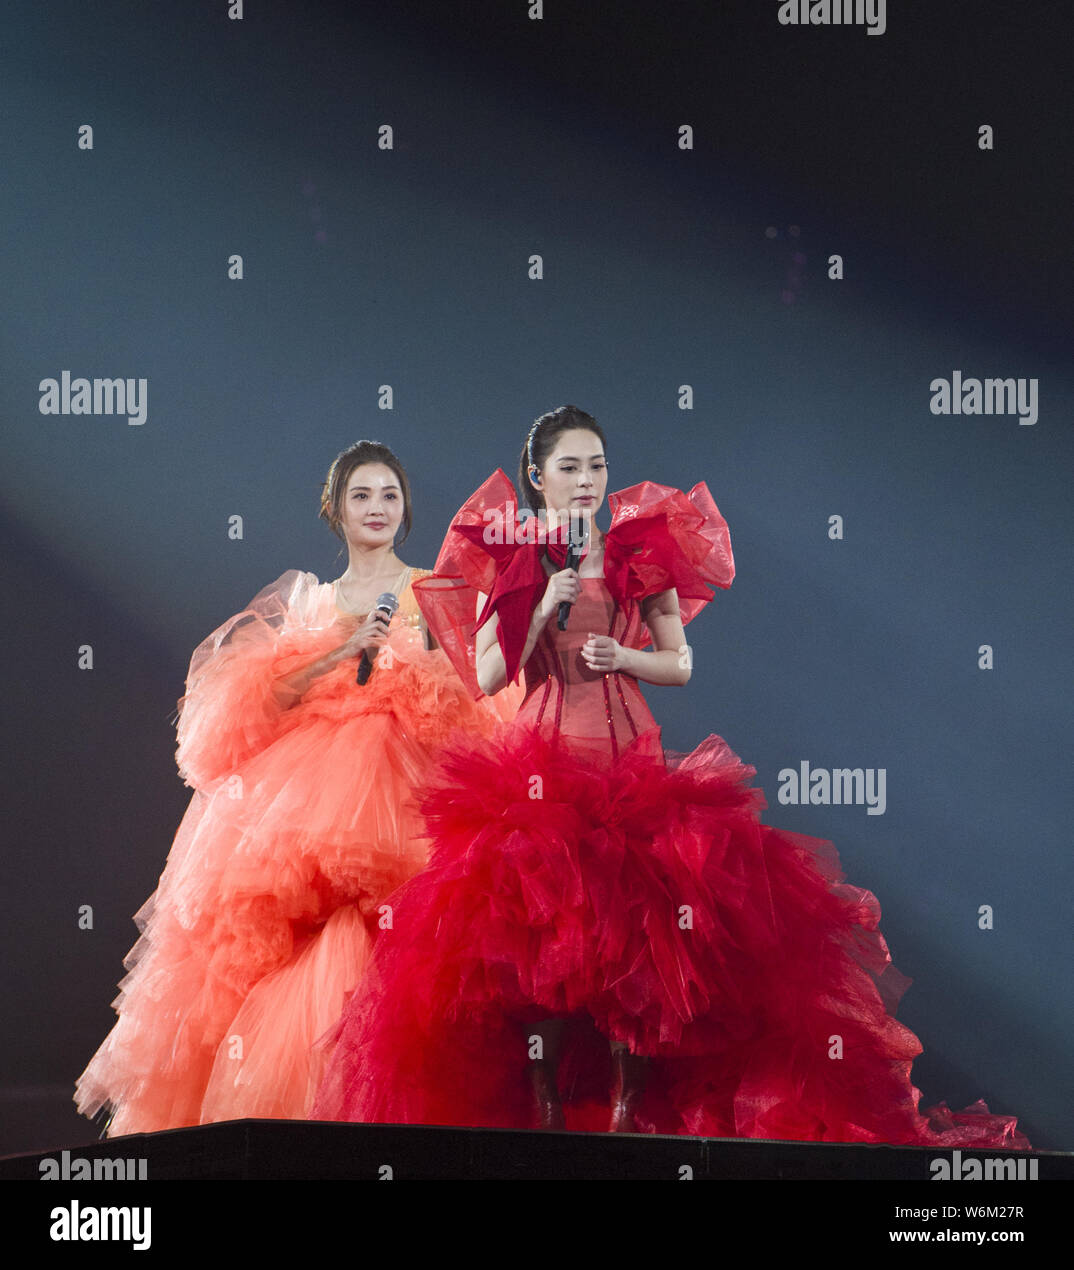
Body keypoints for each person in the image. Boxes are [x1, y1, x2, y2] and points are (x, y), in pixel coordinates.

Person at [310, 408, 1027, 1147]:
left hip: (630, 767)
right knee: (538, 946)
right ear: (537, 478)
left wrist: (625, 659)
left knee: (642, 940)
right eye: (569, 468)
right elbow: (487, 679)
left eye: (597, 466)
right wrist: (538, 614)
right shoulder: (516, 561)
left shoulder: (638, 555)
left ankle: (627, 1109)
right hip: (539, 772)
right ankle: (546, 1107)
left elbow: (680, 665)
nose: (586, 481)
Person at [74, 441, 519, 1135]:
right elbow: (264, 701)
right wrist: (344, 649)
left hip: (401, 788)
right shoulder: (312, 598)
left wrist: (406, 660)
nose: (377, 508)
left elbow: (475, 694)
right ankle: (283, 1120)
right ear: (335, 509)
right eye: (363, 496)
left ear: (406, 510)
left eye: (390, 496)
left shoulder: (430, 588)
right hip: (303, 795)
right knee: (286, 943)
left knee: (396, 940)